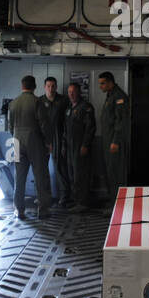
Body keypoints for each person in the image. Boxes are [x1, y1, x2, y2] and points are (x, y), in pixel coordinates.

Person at [7, 75, 52, 218]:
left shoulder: (13, 103)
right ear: (35, 86)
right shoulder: (37, 102)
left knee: (19, 177)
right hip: (35, 141)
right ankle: (43, 210)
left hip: (17, 141)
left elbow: (10, 125)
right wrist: (48, 141)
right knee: (40, 176)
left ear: (22, 86)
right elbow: (43, 125)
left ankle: (19, 210)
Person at [36, 76, 70, 207]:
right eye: (48, 86)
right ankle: (43, 196)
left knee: (60, 168)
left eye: (53, 86)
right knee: (41, 169)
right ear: (44, 87)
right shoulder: (39, 101)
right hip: (43, 139)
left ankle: (64, 196)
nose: (51, 89)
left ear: (56, 87)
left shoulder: (63, 101)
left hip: (59, 137)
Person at [64, 81, 96, 211]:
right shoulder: (69, 108)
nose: (71, 94)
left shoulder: (86, 107)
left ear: (79, 92)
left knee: (80, 175)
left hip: (80, 146)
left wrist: (85, 145)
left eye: (74, 92)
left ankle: (82, 203)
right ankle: (76, 200)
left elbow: (90, 128)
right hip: (70, 146)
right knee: (72, 174)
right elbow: (66, 129)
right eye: (69, 92)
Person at [97, 71, 129, 201]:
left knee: (115, 172)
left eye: (103, 83)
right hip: (108, 140)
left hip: (114, 141)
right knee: (109, 172)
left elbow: (120, 121)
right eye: (100, 84)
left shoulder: (119, 96)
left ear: (111, 82)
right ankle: (112, 202)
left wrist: (115, 141)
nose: (101, 87)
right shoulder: (111, 95)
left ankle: (117, 204)